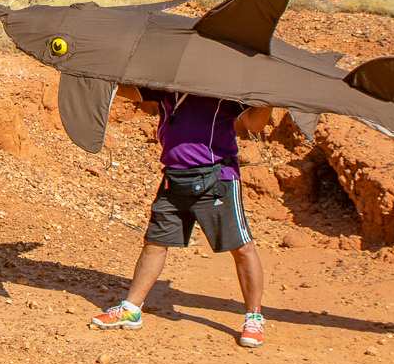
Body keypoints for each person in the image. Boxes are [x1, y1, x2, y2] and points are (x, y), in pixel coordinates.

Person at [91, 87, 266, 348]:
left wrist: (270, 100)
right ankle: (131, 308)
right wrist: (101, 76)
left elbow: (252, 124)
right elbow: (133, 92)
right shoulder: (168, 83)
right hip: (174, 178)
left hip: (217, 179)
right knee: (155, 243)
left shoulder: (224, 86)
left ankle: (254, 318)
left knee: (242, 247)